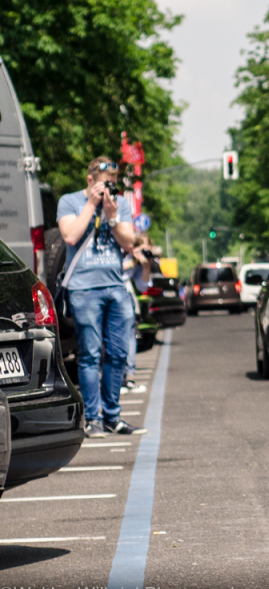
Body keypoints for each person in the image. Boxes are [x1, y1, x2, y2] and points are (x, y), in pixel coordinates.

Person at [56, 157, 146, 437]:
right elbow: (70, 236)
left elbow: (129, 242)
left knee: (118, 353)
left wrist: (112, 215)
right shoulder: (69, 201)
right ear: (90, 180)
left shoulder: (121, 204)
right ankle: (92, 418)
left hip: (116, 287)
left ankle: (112, 416)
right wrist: (92, 205)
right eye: (104, 182)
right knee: (90, 355)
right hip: (84, 289)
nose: (109, 187)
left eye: (113, 182)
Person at [121, 233, 161, 394]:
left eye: (148, 251)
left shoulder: (139, 263)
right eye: (142, 250)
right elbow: (112, 269)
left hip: (126, 296)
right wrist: (132, 261)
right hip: (110, 293)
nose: (144, 254)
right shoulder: (120, 252)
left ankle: (129, 377)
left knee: (130, 335)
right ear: (133, 248)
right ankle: (114, 378)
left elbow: (143, 287)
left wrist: (145, 267)